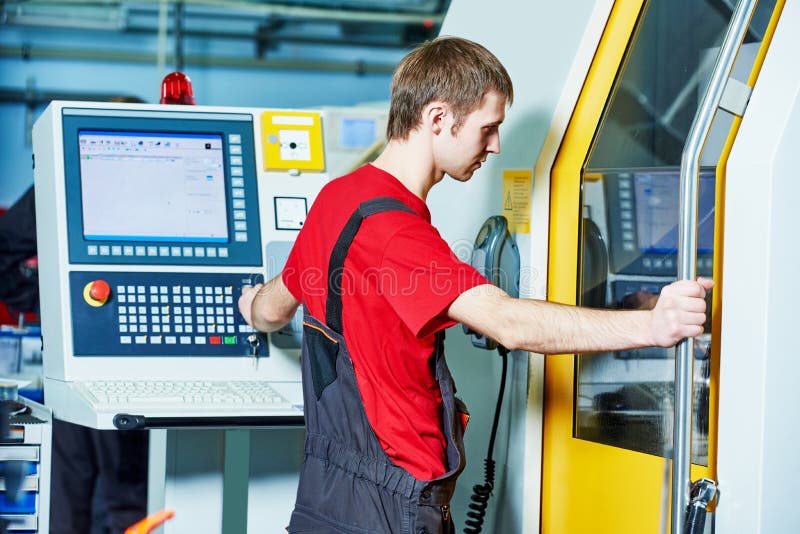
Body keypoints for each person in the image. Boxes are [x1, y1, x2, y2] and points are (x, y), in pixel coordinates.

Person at [238, 36, 713, 533]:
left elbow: (274, 308)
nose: (496, 146)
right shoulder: (399, 234)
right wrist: (653, 325)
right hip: (392, 504)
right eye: (488, 128)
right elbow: (508, 323)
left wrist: (250, 303)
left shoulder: (339, 197)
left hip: (324, 491)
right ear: (438, 118)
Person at [0, 184, 149, 534]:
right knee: (119, 499)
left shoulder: (62, 170)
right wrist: (48, 304)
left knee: (72, 496)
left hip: (75, 356)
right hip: (129, 361)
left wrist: (53, 305)